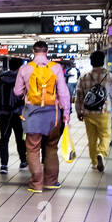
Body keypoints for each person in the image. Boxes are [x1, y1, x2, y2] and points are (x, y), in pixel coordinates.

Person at [14, 40, 71, 194]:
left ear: (33, 51)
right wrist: (66, 113)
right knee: (52, 147)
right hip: (53, 113)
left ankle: (36, 183)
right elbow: (64, 92)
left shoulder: (25, 69)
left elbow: (17, 91)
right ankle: (51, 181)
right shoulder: (56, 67)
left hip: (32, 113)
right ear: (47, 51)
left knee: (33, 149)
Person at [76, 50, 112, 172]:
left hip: (88, 112)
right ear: (103, 61)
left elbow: (79, 96)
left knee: (92, 138)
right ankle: (101, 153)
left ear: (91, 62)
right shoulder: (110, 76)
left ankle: (95, 162)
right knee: (105, 135)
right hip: (104, 112)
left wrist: (78, 111)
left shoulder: (84, 77)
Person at [0, 57, 28, 175]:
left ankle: (3, 165)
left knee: (4, 139)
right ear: (20, 67)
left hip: (3, 114)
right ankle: (23, 160)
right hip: (19, 115)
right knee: (20, 138)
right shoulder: (23, 80)